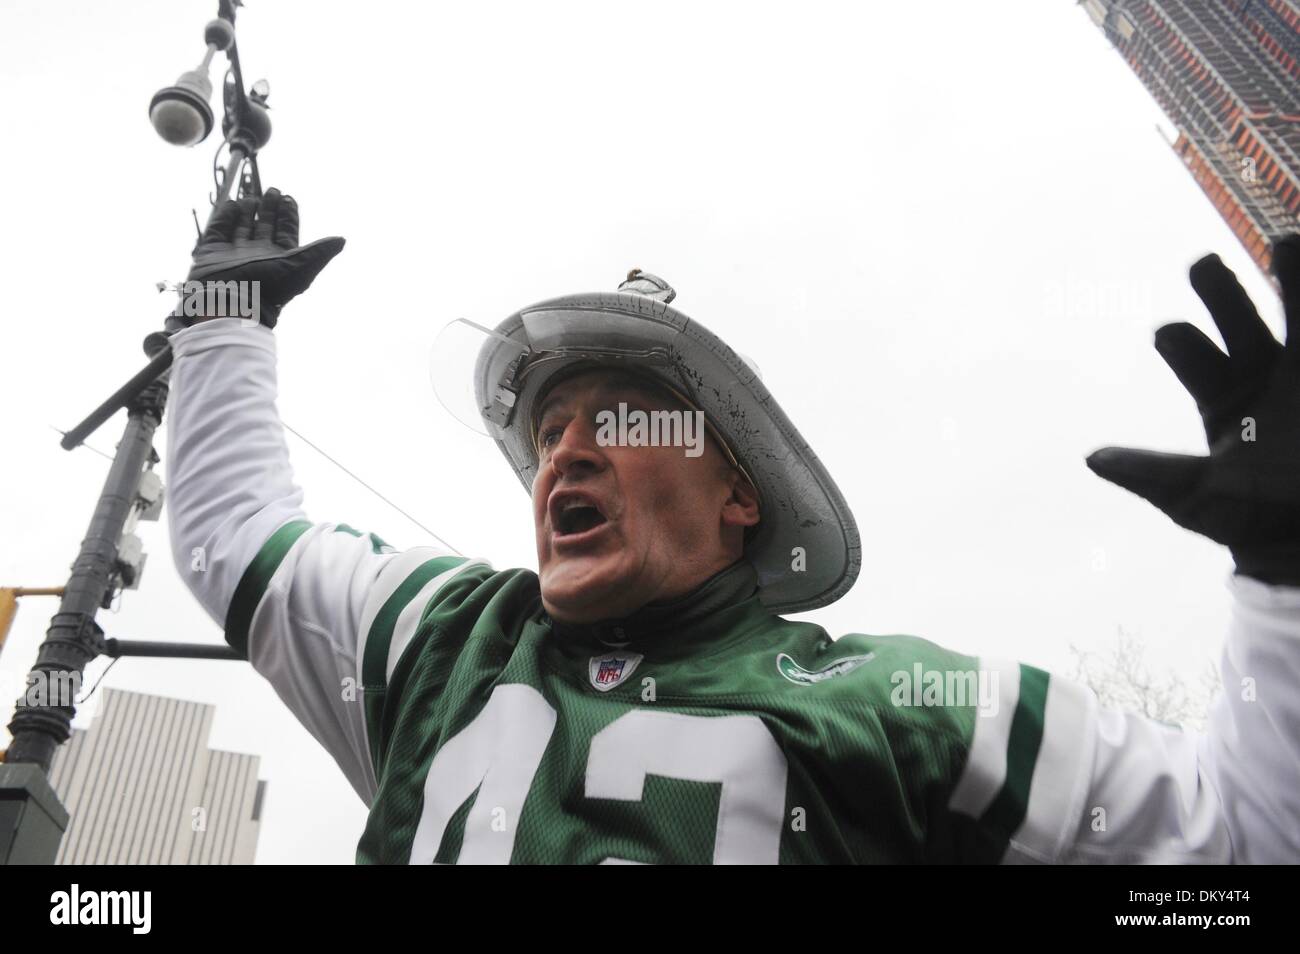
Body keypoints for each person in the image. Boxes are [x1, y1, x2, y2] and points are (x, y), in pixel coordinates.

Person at [166, 187, 1300, 864]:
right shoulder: (441, 637)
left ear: (738, 496)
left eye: (618, 414)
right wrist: (222, 324)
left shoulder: (898, 708)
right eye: (550, 426)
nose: (566, 445)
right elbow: (234, 534)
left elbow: (1239, 847)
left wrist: (1286, 577)